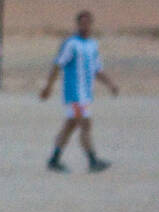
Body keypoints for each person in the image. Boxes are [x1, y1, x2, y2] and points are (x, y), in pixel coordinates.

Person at [40, 10, 119, 173]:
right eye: (82, 23)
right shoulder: (71, 43)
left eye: (88, 22)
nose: (85, 26)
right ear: (77, 24)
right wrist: (49, 86)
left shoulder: (93, 45)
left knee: (70, 126)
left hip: (86, 94)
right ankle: (92, 160)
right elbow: (57, 64)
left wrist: (110, 84)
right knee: (85, 124)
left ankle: (54, 159)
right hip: (74, 93)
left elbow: (97, 69)